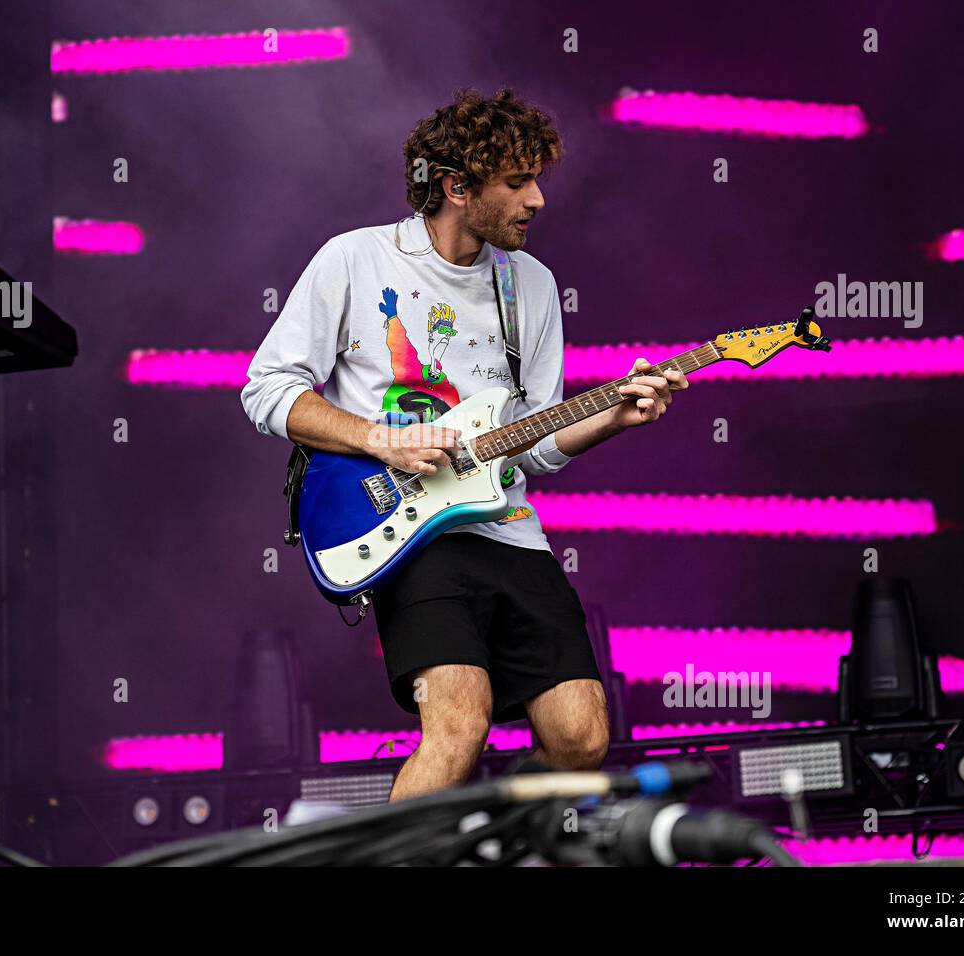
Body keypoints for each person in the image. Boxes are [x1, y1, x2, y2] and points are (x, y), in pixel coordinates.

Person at [241, 88, 688, 800]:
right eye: (517, 182)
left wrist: (612, 418)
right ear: (456, 186)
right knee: (459, 726)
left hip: (508, 530)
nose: (538, 199)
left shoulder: (532, 286)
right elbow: (266, 390)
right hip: (408, 532)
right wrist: (378, 439)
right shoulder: (354, 260)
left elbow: (535, 442)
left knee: (581, 737)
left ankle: (492, 844)